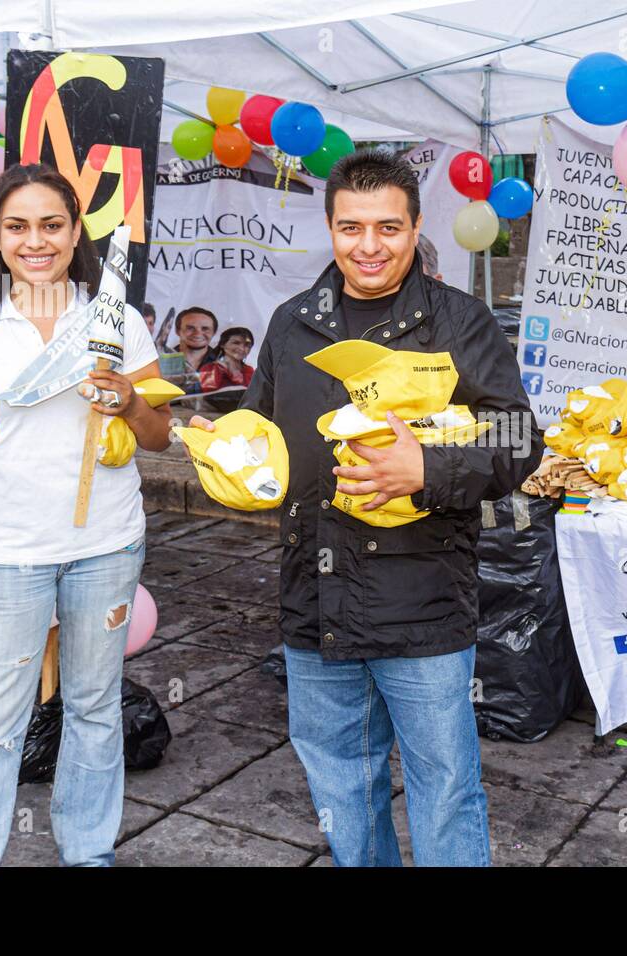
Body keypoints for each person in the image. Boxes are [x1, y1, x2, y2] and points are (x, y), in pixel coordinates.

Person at [190, 149, 540, 866]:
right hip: (314, 598)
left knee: (444, 792)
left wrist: (429, 465)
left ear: (415, 229)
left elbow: (520, 437)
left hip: (424, 598)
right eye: (352, 228)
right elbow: (264, 438)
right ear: (330, 227)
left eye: (388, 227)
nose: (369, 245)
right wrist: (229, 453)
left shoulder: (460, 323)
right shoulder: (292, 324)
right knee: (342, 789)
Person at [0, 163, 171, 867]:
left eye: (51, 224)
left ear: (74, 232)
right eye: (18, 226)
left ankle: (88, 854)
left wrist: (128, 400)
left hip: (107, 543)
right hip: (7, 551)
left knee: (94, 711)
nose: (36, 241)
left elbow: (159, 435)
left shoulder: (116, 318)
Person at [197, 326, 255, 393]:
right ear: (223, 344)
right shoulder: (209, 368)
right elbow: (208, 392)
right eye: (236, 343)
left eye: (247, 345)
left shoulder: (249, 370)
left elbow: (253, 393)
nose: (242, 348)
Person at [173, 306, 217, 373]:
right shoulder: (158, 363)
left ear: (214, 333)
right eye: (190, 328)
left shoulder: (227, 364)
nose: (197, 334)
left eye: (205, 329)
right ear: (177, 331)